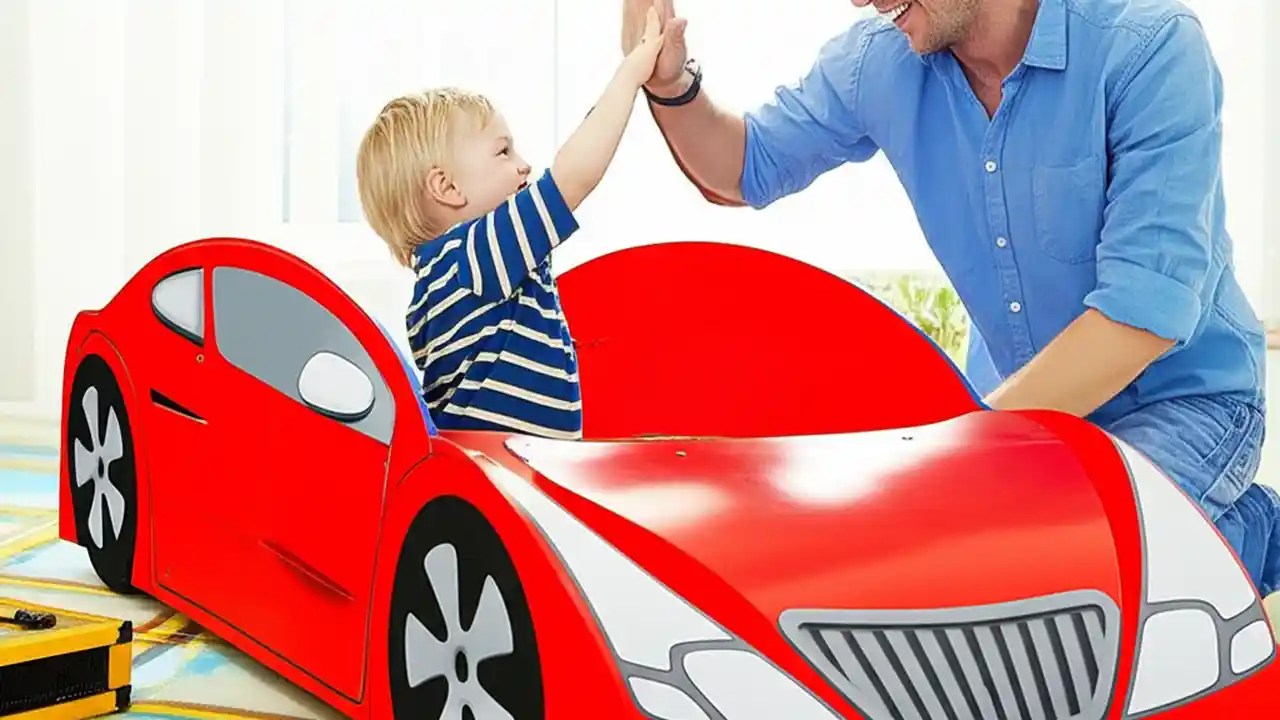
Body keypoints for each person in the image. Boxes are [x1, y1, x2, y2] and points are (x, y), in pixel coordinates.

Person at [621, 0, 1278, 595]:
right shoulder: (882, 57)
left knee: (1070, 579)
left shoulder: (1150, 46)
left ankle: (1250, 539)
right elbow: (744, 165)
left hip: (1182, 402)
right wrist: (671, 86)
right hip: (1024, 422)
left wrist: (957, 447)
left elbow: (1143, 315)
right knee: (941, 575)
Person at [355, 7, 667, 439]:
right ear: (446, 187)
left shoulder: (437, 279)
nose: (524, 167)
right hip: (502, 480)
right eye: (503, 152)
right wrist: (631, 73)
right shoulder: (474, 254)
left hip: (494, 477)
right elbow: (573, 176)